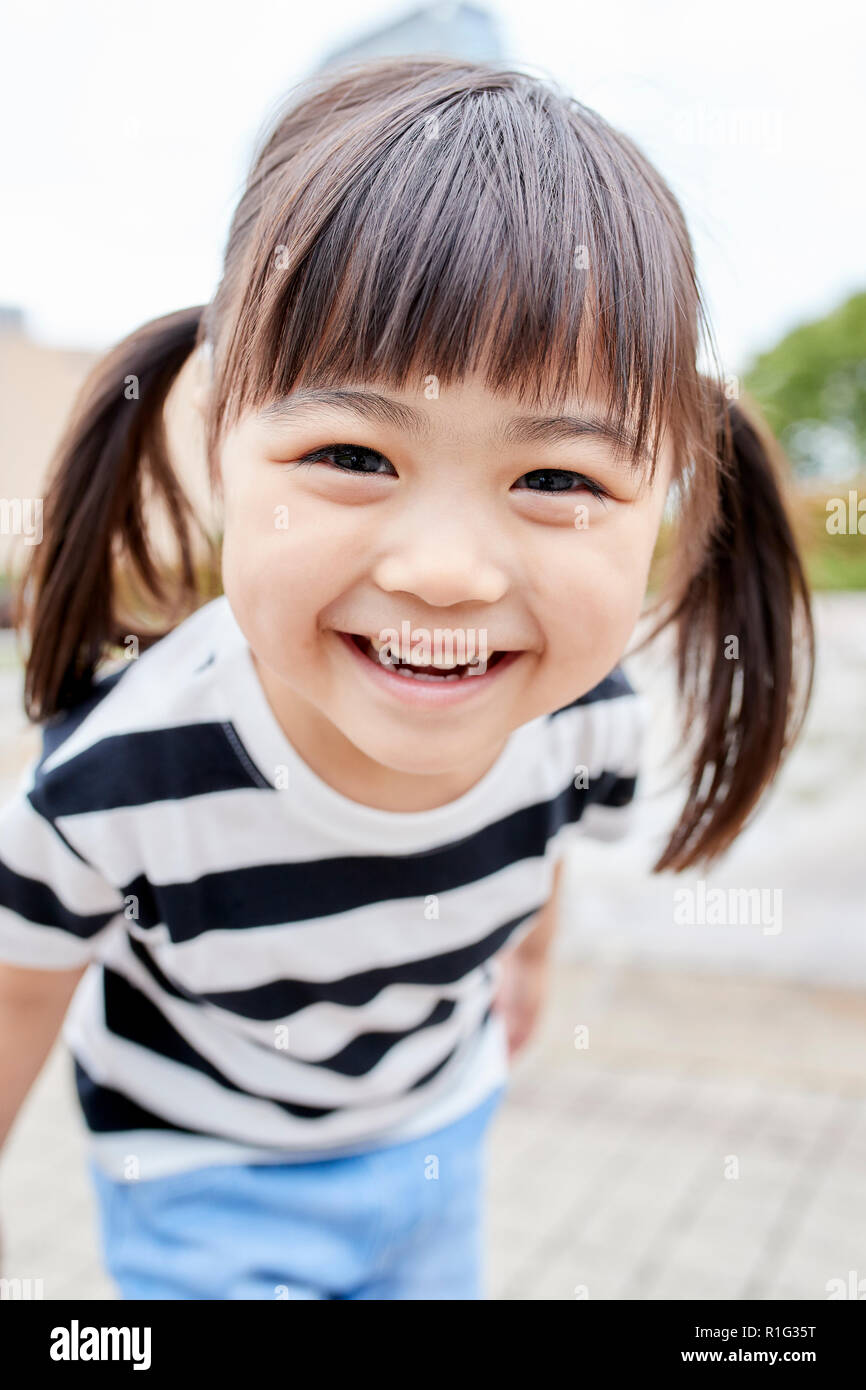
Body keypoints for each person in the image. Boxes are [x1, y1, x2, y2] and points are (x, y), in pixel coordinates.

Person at [0, 56, 813, 1300]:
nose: (445, 573)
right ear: (223, 443)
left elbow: (536, 861)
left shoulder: (585, 721)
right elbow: (17, 1001)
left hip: (436, 1136)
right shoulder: (116, 780)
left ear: (665, 495)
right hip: (202, 1182)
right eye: (349, 452)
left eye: (556, 479)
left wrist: (528, 969)